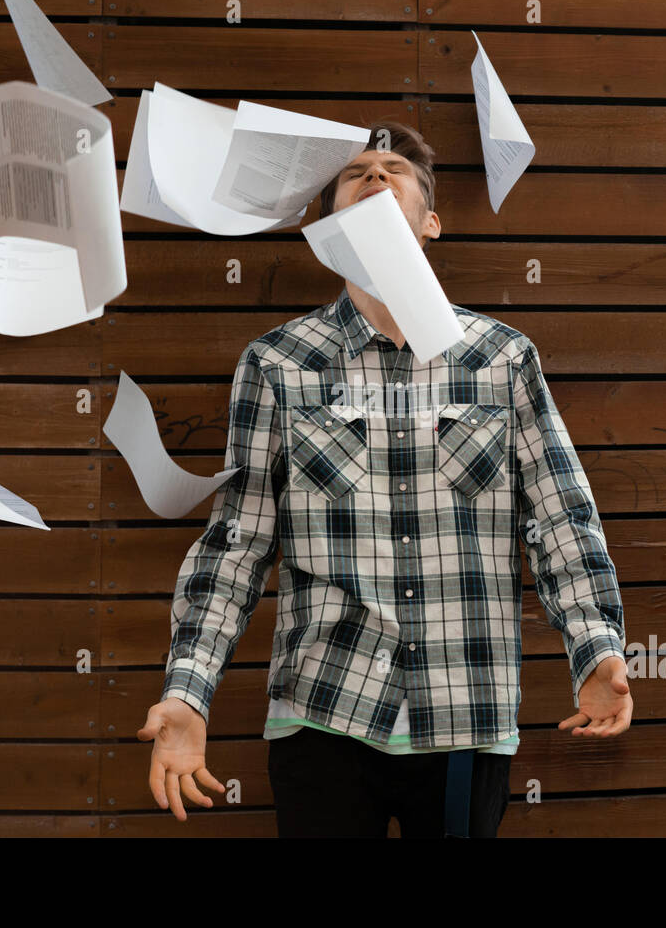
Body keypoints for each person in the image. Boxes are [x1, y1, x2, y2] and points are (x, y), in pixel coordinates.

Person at [138, 120, 632, 837]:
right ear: (332, 222)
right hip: (323, 714)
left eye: (393, 168)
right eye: (356, 173)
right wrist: (189, 691)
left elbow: (561, 517)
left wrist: (597, 646)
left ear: (431, 221)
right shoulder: (278, 364)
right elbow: (237, 543)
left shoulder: (502, 359)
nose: (374, 175)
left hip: (466, 712)